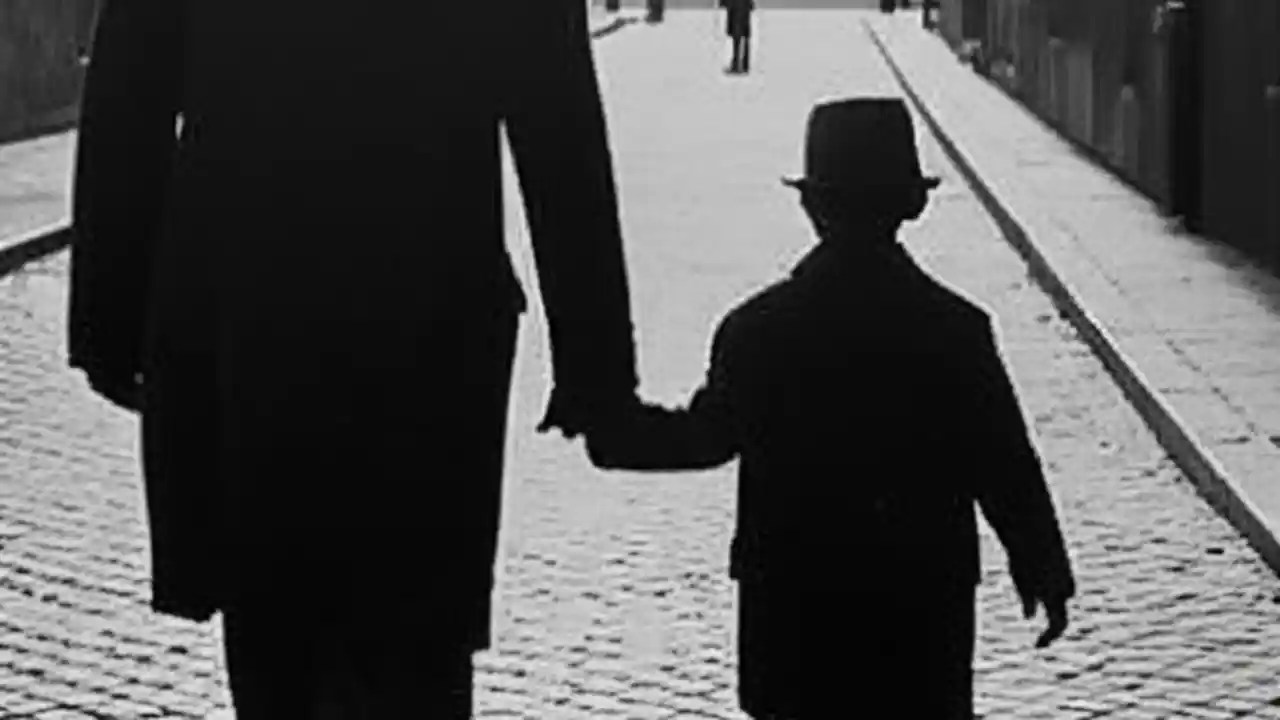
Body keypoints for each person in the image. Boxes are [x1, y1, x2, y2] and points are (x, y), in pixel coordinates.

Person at [67, 0, 638, 717]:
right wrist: (599, 370)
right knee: (414, 634)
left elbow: (130, 93)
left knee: (273, 623)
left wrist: (110, 319)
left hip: (249, 307)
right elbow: (560, 126)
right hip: (424, 313)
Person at [586, 98, 1076, 720]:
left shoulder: (757, 330)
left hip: (795, 616)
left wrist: (615, 430)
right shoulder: (956, 330)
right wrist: (1043, 567)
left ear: (812, 204)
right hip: (918, 614)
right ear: (912, 203)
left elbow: (705, 438)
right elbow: (1005, 465)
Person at [720, 0, 754, 74]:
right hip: (743, 7)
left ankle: (737, 65)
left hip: (736, 7)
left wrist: (723, 3)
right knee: (743, 35)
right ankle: (744, 65)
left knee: (737, 36)